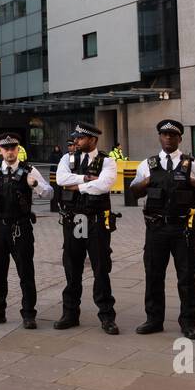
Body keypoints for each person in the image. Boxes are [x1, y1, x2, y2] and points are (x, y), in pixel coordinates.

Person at [129, 119, 195, 339]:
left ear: (179, 138)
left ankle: (188, 323)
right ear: (159, 137)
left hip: (183, 229)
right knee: (153, 275)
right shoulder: (147, 164)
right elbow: (134, 191)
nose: (168, 138)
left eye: (173, 135)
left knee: (186, 277)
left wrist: (194, 182)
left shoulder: (193, 164)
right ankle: (154, 320)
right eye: (164, 135)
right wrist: (146, 182)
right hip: (156, 228)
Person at [0, 134, 52, 329]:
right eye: (6, 148)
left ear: (18, 149)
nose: (10, 151)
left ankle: (28, 314)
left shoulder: (29, 169)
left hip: (20, 227)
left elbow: (49, 192)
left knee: (26, 272)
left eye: (13, 148)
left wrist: (34, 184)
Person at [54, 122, 119, 334]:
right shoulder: (67, 159)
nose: (76, 141)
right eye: (76, 138)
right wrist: (85, 179)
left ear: (93, 140)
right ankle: (70, 313)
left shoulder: (107, 161)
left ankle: (107, 316)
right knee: (73, 267)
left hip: (97, 220)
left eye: (80, 138)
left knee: (101, 268)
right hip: (75, 220)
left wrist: (77, 186)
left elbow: (103, 186)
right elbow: (61, 179)